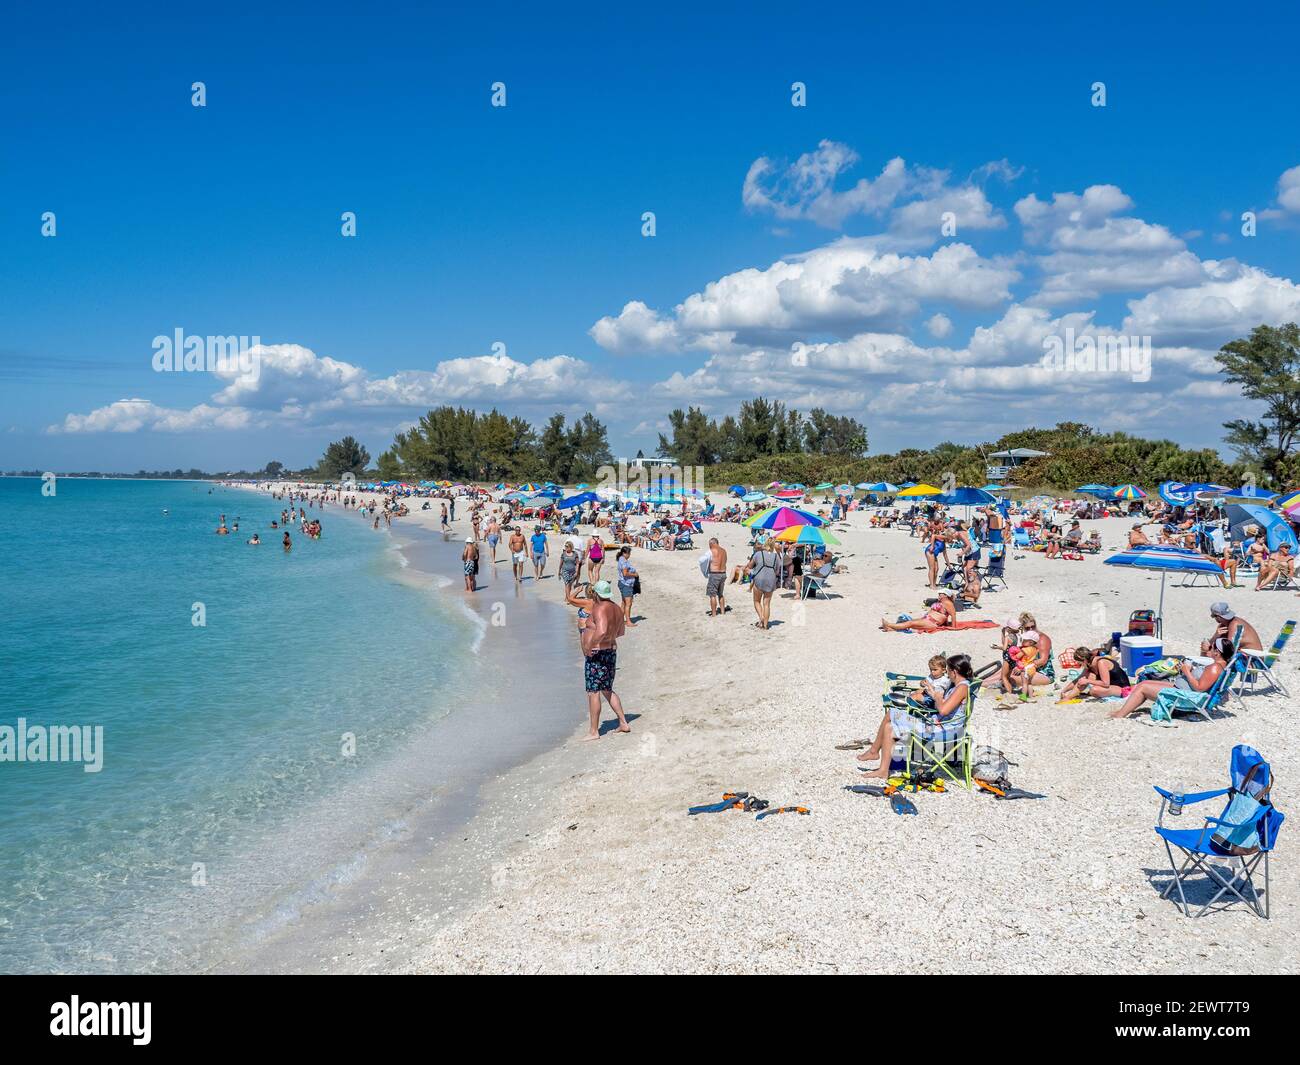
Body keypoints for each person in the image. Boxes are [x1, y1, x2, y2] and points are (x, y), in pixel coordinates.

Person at [856, 654, 974, 779]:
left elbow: (944, 710)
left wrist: (938, 697)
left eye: (949, 671)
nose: (948, 675)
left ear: (954, 672)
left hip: (941, 730)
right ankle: (883, 769)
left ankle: (875, 752)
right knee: (890, 726)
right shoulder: (959, 685)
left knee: (892, 713)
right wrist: (934, 694)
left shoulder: (962, 687)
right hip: (938, 725)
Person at [1109, 638, 1230, 719]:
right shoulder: (1218, 666)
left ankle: (1121, 714)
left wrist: (1187, 672)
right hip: (1182, 688)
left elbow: (1199, 688)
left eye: (1212, 648)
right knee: (1144, 682)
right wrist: (1191, 670)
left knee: (1143, 688)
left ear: (1217, 652)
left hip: (1186, 697)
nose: (1209, 650)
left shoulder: (1215, 668)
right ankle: (1124, 710)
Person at [581, 581, 630, 739]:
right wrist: (607, 639)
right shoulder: (616, 608)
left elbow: (601, 631)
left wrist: (590, 646)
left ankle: (594, 731)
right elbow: (620, 631)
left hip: (597, 654)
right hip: (609, 652)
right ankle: (623, 722)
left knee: (593, 692)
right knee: (607, 689)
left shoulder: (600, 607)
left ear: (596, 593)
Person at [1058, 646, 1130, 700]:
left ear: (1084, 660)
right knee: (1084, 677)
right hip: (1111, 685)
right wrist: (1064, 690)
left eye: (1080, 664)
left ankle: (1068, 698)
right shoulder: (1089, 664)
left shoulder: (1101, 662)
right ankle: (1068, 698)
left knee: (1094, 690)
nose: (1081, 666)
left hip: (1123, 688)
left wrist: (1087, 681)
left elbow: (1106, 683)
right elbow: (1078, 680)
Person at [744, 537, 782, 630]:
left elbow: (749, 566)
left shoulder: (758, 554)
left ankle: (761, 618)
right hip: (771, 580)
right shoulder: (776, 556)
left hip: (759, 579)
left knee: (756, 601)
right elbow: (777, 572)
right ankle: (765, 625)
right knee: (767, 604)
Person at [879, 591, 957, 632]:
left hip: (932, 622)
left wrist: (953, 627)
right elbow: (945, 616)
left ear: (946, 595)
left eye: (940, 594)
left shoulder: (948, 603)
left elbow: (953, 615)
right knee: (910, 622)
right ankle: (890, 629)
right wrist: (945, 623)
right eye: (939, 594)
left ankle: (889, 624)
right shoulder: (942, 602)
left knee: (910, 623)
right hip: (927, 619)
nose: (938, 596)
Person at [615, 546, 638, 626]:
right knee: (628, 604)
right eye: (629, 553)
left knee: (624, 603)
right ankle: (628, 621)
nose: (629, 555)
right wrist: (634, 574)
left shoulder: (621, 559)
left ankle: (620, 620)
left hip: (622, 582)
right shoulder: (624, 561)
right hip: (626, 584)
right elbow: (625, 573)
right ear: (625, 553)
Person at [705, 536, 728, 616]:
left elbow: (702, 560)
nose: (709, 546)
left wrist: (705, 571)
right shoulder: (724, 551)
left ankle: (714, 614)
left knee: (712, 595)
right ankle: (722, 612)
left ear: (713, 543)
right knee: (720, 594)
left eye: (710, 544)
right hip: (723, 573)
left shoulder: (712, 551)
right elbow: (725, 562)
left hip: (715, 574)